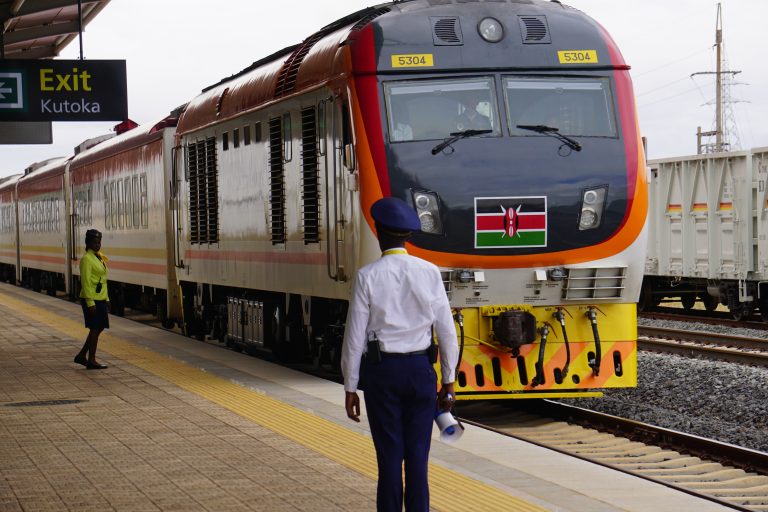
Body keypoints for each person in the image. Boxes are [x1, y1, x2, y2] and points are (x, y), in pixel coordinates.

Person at [341, 197, 459, 512]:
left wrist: (350, 386)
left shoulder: (367, 276)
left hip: (383, 374)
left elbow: (354, 337)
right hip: (421, 372)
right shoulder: (430, 272)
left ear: (378, 233)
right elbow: (447, 331)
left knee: (390, 457)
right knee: (418, 458)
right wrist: (448, 382)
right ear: (408, 236)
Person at [73, 229, 110, 370]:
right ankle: (91, 359)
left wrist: (107, 298)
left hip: (100, 298)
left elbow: (103, 279)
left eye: (99, 242)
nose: (97, 245)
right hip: (92, 299)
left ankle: (82, 355)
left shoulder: (98, 257)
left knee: (98, 327)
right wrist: (90, 302)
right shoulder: (87, 259)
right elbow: (86, 282)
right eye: (94, 242)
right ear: (87, 243)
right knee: (96, 328)